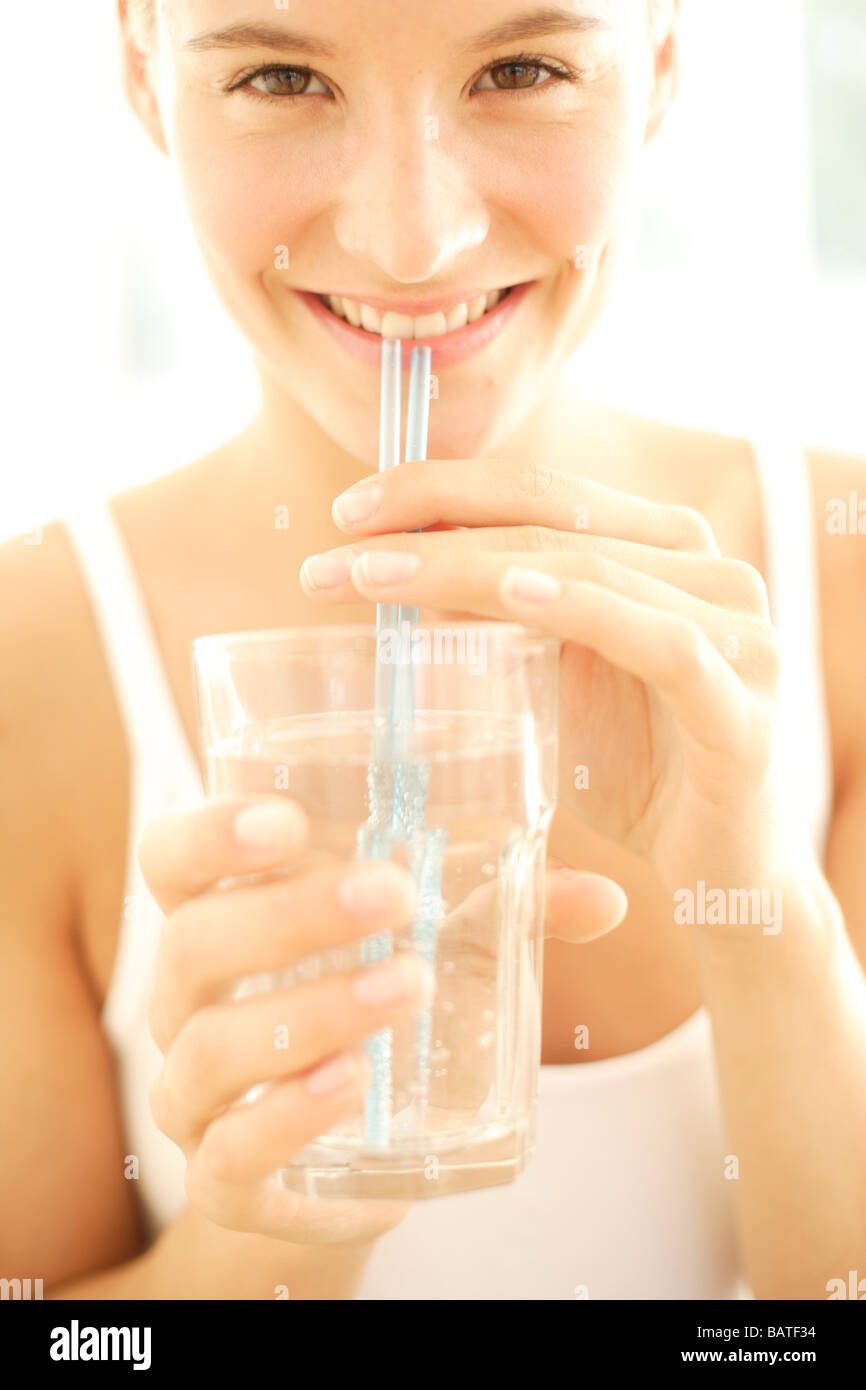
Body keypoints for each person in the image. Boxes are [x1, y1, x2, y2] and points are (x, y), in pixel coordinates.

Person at [2, 0, 865, 1301]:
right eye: (282, 75)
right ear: (140, 67)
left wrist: (756, 908)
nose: (412, 239)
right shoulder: (33, 659)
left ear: (662, 61)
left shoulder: (840, 584)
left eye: (522, 67)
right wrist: (271, 1227)